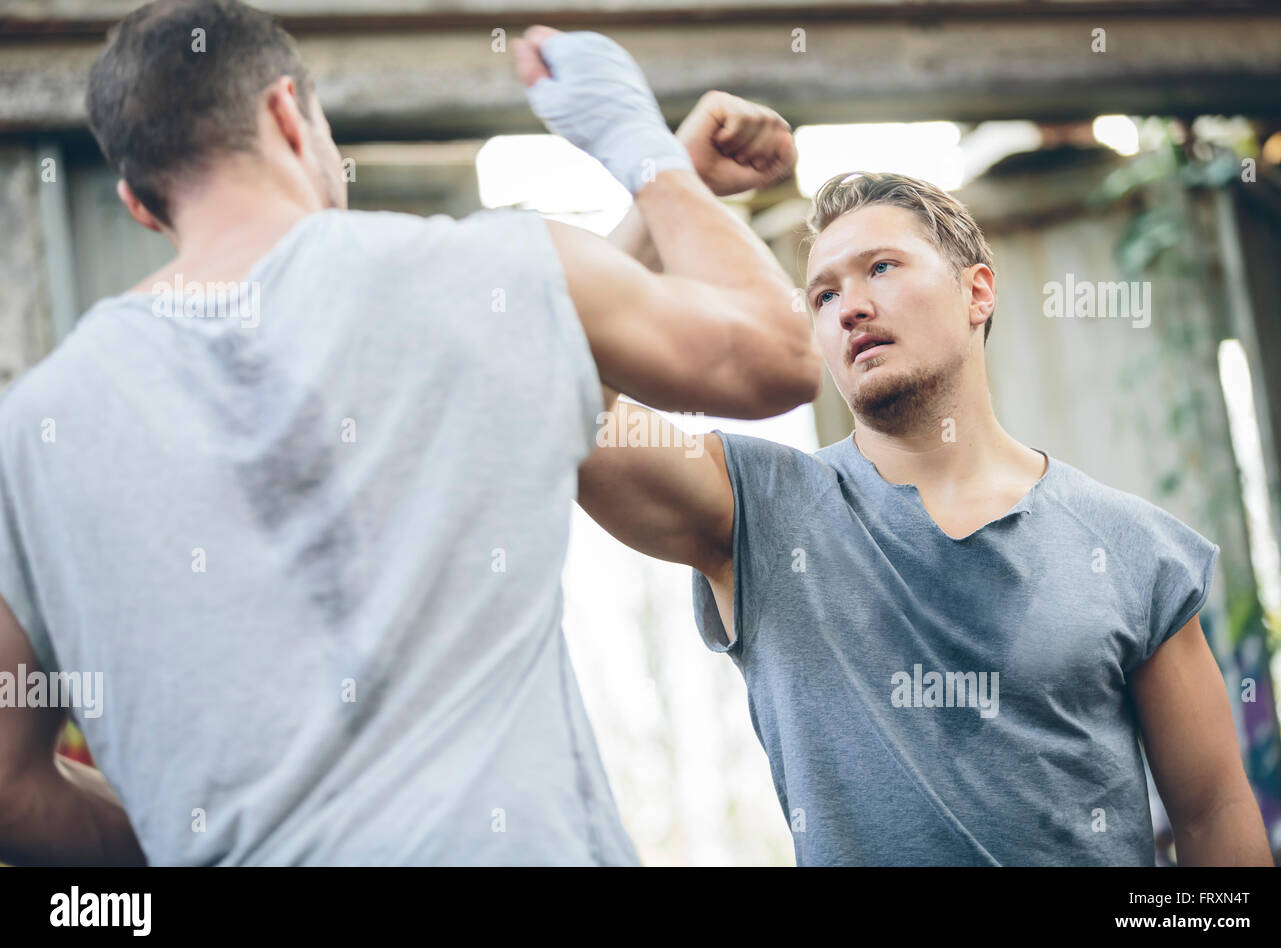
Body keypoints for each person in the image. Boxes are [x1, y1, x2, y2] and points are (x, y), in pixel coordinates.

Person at [0, 2, 819, 865]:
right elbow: (778, 353)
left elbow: (11, 792)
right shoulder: (484, 271)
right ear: (288, 114)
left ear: (138, 202)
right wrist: (644, 150)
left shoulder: (31, 431)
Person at [584, 167, 1276, 865]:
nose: (848, 307)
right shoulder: (759, 510)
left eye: (880, 267)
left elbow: (1213, 811)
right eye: (823, 295)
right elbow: (562, 383)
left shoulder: (1132, 547)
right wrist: (665, 181)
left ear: (977, 291)